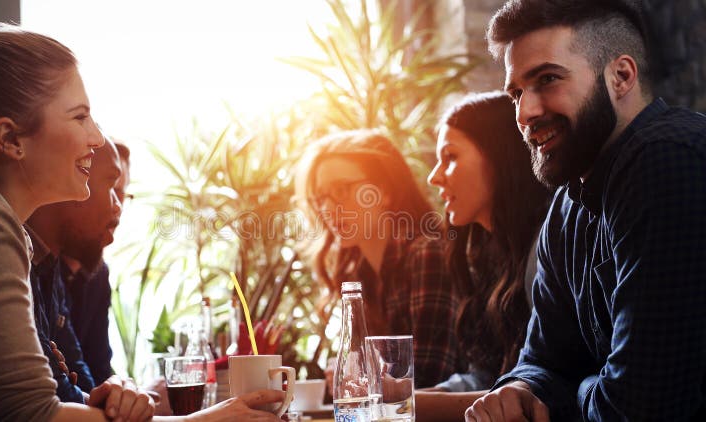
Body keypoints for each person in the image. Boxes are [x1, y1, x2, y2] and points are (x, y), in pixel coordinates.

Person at [0, 19, 284, 421]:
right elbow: (29, 414)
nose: (97, 139)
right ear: (11, 140)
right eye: (79, 116)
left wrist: (107, 398)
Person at [465, 1, 706, 420]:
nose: (525, 113)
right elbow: (543, 359)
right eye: (517, 93)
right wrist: (521, 390)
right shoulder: (568, 203)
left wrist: (569, 393)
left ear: (621, 76)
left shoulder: (665, 158)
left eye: (548, 79)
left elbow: (640, 409)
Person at [414, 92, 551, 421]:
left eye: (450, 157)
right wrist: (397, 395)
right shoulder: (483, 255)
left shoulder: (546, 247)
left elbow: (540, 392)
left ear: (499, 155)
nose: (434, 176)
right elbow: (484, 377)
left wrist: (399, 404)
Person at [296, 130, 460, 388]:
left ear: (384, 191)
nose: (327, 208)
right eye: (320, 198)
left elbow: (427, 378)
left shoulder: (426, 253)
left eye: (341, 189)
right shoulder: (357, 274)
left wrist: (359, 380)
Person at [26, 138, 123, 403]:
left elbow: (83, 381)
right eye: (111, 185)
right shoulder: (14, 259)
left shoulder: (48, 266)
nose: (118, 206)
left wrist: (119, 396)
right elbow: (47, 404)